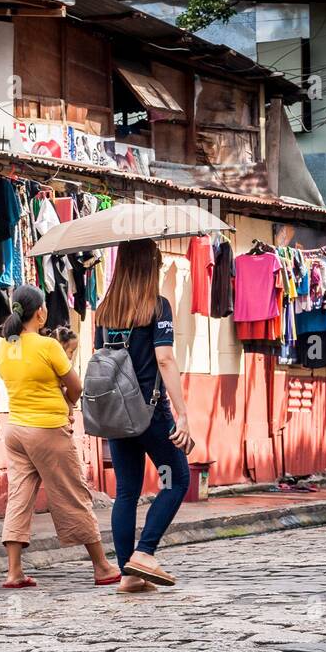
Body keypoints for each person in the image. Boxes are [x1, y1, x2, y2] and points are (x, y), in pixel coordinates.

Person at [0, 286, 119, 589]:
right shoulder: (48, 346)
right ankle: (102, 566)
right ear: (40, 312)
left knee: (19, 498)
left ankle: (14, 573)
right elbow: (75, 387)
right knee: (72, 494)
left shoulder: (4, 347)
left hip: (15, 431)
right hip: (47, 429)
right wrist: (68, 404)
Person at [94, 239, 193, 593]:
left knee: (126, 492)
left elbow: (103, 363)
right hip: (151, 415)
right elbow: (164, 359)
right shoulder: (157, 307)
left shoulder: (104, 311)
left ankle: (128, 574)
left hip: (117, 416)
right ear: (149, 266)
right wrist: (182, 415)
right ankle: (145, 553)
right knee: (176, 479)